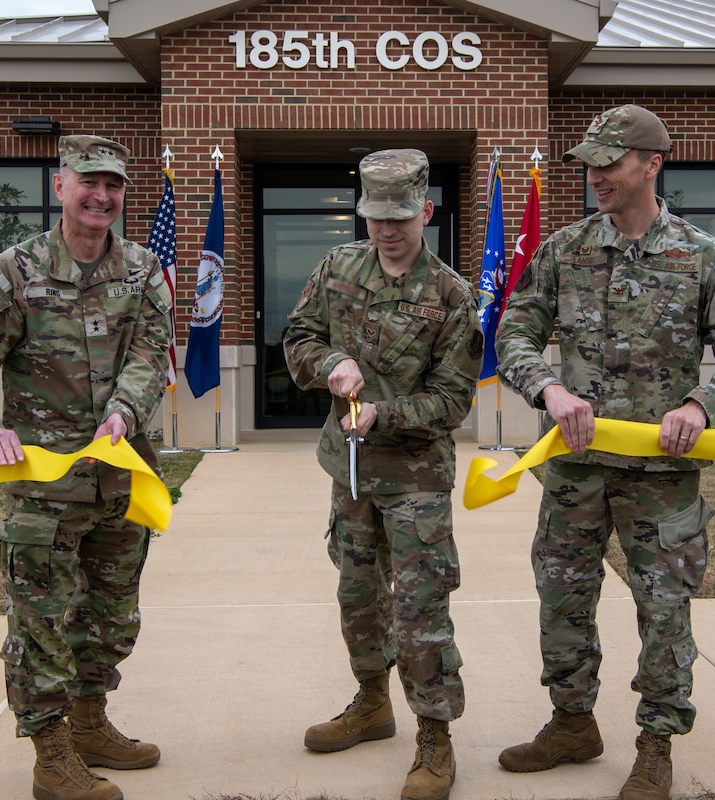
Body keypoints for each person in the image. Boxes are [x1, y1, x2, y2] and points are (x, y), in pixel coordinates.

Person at [494, 105, 715, 800]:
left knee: (664, 608)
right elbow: (514, 334)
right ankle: (571, 722)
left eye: (609, 163)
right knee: (562, 600)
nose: (595, 177)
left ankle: (656, 743)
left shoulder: (703, 258)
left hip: (661, 479)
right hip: (574, 471)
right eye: (589, 164)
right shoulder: (565, 249)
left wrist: (701, 405)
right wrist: (548, 390)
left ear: (652, 164)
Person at [0, 135, 172, 800]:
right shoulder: (12, 273)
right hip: (44, 489)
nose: (102, 196)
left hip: (119, 474)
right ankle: (51, 755)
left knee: (110, 613)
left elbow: (153, 353)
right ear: (60, 186)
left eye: (114, 186)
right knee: (39, 622)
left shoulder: (143, 269)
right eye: (89, 182)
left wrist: (125, 412)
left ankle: (93, 723)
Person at [283, 148, 482, 800]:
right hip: (350, 471)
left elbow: (453, 401)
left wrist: (384, 414)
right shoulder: (337, 267)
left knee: (420, 611)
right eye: (374, 218)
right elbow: (298, 338)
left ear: (426, 210)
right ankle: (372, 703)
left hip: (415, 476)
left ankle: (435, 737)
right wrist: (327, 362)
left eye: (399, 218)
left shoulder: (450, 296)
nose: (386, 230)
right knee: (357, 598)